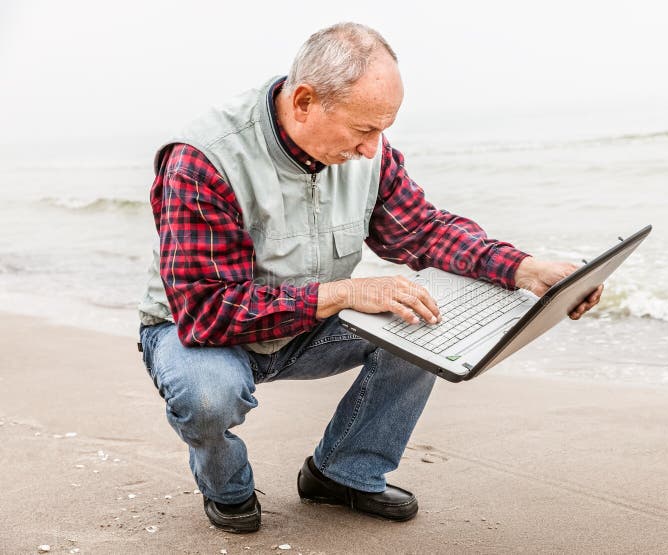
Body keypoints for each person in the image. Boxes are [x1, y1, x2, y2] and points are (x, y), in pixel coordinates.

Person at [137, 22, 603, 534]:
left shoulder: (368, 149)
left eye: (382, 129)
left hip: (304, 323)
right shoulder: (202, 161)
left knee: (424, 321)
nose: (372, 149)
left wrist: (523, 268)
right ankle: (228, 489)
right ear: (304, 102)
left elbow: (422, 231)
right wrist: (344, 293)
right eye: (362, 130)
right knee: (208, 397)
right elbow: (209, 311)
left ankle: (343, 474)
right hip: (199, 333)